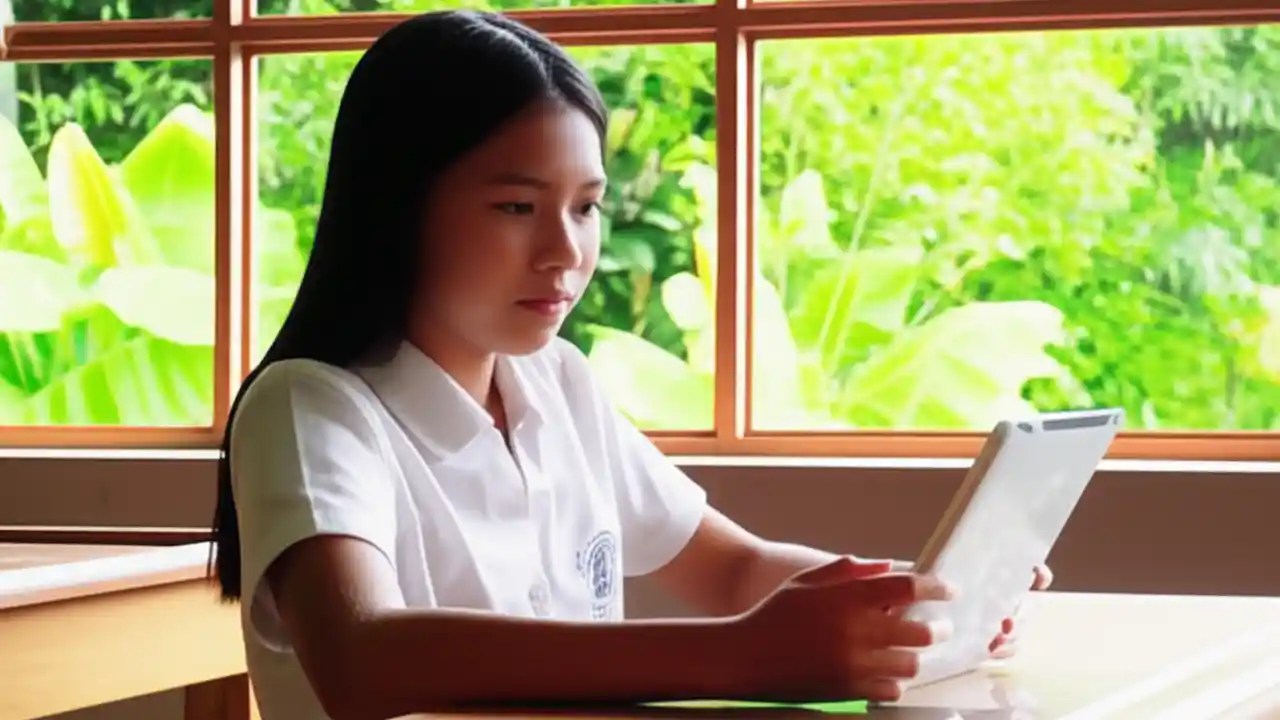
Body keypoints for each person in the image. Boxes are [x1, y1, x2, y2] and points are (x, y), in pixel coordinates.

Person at [211, 10, 1049, 720]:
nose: (564, 251)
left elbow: (733, 568)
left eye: (586, 207)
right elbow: (361, 658)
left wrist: (916, 597)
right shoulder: (310, 407)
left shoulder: (558, 383)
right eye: (517, 206)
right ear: (398, 206)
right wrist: (739, 656)